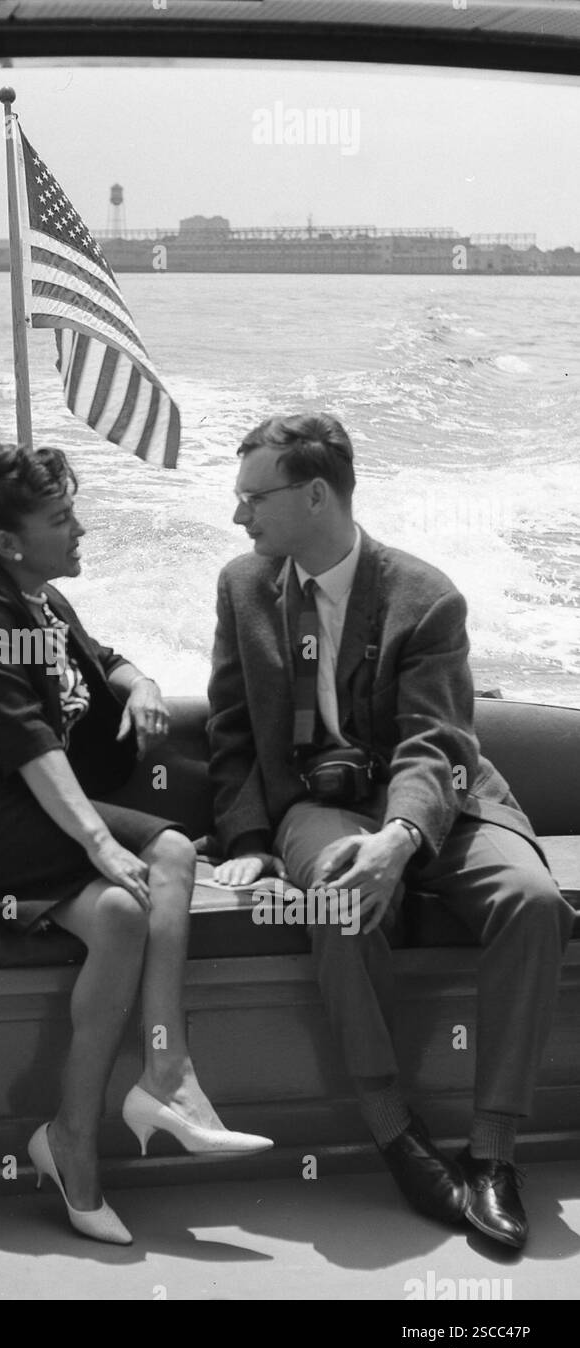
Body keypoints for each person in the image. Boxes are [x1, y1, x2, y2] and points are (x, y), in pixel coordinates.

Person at [207, 411, 573, 1250]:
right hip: (318, 803)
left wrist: (402, 837)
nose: (239, 517)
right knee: (336, 897)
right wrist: (246, 841)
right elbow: (230, 729)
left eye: (251, 498)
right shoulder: (242, 587)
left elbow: (435, 743)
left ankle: (492, 1153)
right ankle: (393, 1134)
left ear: (313, 494)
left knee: (530, 901)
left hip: (444, 797)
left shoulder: (425, 596)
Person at [0, 440, 272, 1246]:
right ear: (7, 542)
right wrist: (102, 844)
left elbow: (99, 660)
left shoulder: (44, 606)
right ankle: (167, 1076)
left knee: (120, 920)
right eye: (60, 519)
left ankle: (71, 1136)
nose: (80, 531)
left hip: (23, 813)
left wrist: (139, 684)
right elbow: (29, 743)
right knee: (166, 854)